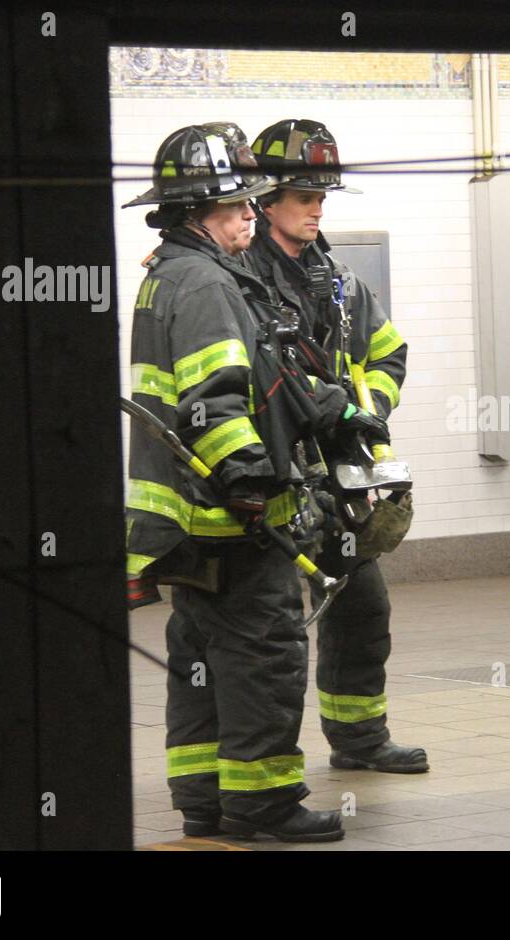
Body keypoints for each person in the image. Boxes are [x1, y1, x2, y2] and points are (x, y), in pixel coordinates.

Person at [123, 122, 383, 842]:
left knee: (201, 658)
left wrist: (334, 411)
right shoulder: (206, 283)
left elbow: (269, 379)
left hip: (190, 518)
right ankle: (264, 805)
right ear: (196, 214)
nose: (250, 216)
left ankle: (204, 798)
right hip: (232, 516)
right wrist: (252, 484)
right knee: (263, 653)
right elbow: (216, 399)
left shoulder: (174, 273)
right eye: (237, 206)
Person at [245, 118, 427, 774]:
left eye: (323, 196)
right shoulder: (237, 281)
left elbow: (388, 352)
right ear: (265, 201)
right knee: (262, 628)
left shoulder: (344, 284)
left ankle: (360, 742)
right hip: (271, 476)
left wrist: (367, 410)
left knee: (362, 602)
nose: (317, 207)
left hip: (338, 477)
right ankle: (250, 769)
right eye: (303, 196)